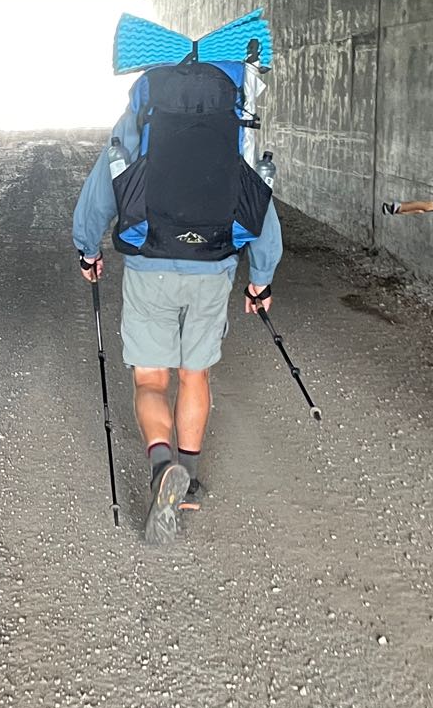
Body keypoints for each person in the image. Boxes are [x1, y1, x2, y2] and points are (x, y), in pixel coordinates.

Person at [72, 61, 283, 536]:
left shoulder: (140, 115)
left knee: (150, 379)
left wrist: (88, 249)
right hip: (214, 261)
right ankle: (186, 479)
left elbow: (105, 182)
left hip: (151, 259)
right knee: (195, 374)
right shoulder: (232, 121)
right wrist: (261, 277)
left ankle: (161, 464)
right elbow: (257, 196)